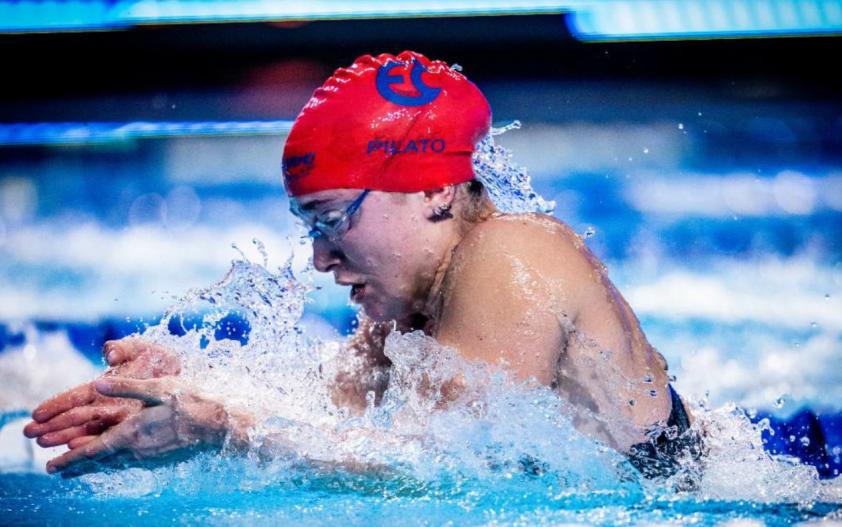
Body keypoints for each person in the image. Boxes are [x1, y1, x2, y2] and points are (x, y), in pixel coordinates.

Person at [23, 51, 701, 479]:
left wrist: (221, 424)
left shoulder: (513, 253)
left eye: (332, 219)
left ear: (434, 189)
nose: (320, 258)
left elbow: (445, 470)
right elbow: (328, 415)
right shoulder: (410, 310)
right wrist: (192, 384)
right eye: (309, 227)